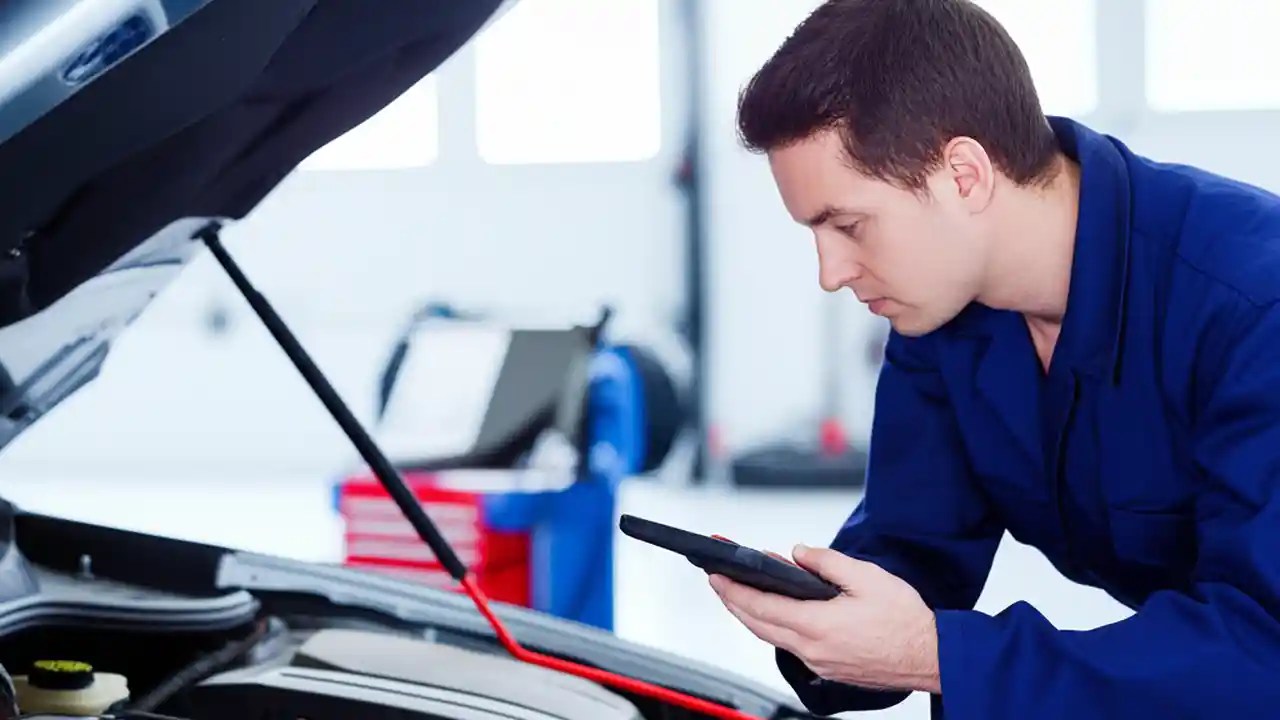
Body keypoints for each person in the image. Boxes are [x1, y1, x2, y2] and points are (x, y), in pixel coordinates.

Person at [708, 0, 1280, 718]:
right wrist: (820, 626)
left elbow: (1264, 655)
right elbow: (912, 551)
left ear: (965, 175)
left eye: (849, 225)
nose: (830, 272)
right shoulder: (940, 315)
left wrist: (934, 655)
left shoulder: (1255, 303)